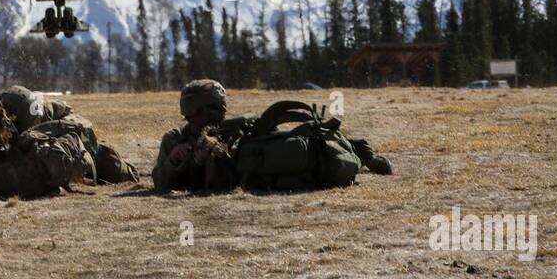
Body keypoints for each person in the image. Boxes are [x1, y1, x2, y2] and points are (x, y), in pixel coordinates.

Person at [152, 79, 393, 193]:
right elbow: (160, 183)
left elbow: (275, 141)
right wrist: (174, 161)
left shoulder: (235, 131)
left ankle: (359, 156)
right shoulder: (175, 140)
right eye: (214, 109)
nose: (221, 113)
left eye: (220, 108)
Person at [0, 85, 138, 198]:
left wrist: (37, 137)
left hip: (80, 150)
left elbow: (83, 132)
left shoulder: (56, 115)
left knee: (111, 163)